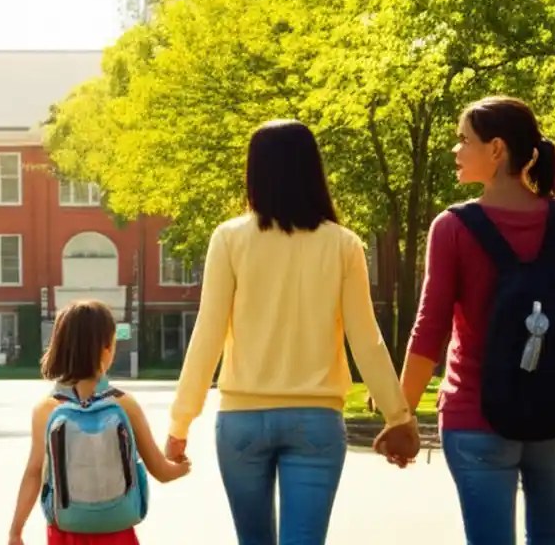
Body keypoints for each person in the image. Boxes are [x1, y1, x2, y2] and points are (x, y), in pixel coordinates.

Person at [165, 120, 418, 545]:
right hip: (315, 420)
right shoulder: (343, 244)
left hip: (241, 420)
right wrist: (398, 416)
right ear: (312, 170)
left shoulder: (229, 239)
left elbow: (207, 333)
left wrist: (180, 422)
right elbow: (366, 339)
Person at [402, 97, 555, 544]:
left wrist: (400, 411)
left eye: (464, 139)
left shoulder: (452, 227)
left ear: (497, 149)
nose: (455, 149)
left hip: (477, 417)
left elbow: (431, 326)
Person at [7, 300, 191, 545]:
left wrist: (16, 531)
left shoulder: (47, 409)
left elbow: (33, 473)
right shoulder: (124, 405)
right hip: (117, 532)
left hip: (65, 532)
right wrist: (182, 465)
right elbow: (161, 471)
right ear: (106, 349)